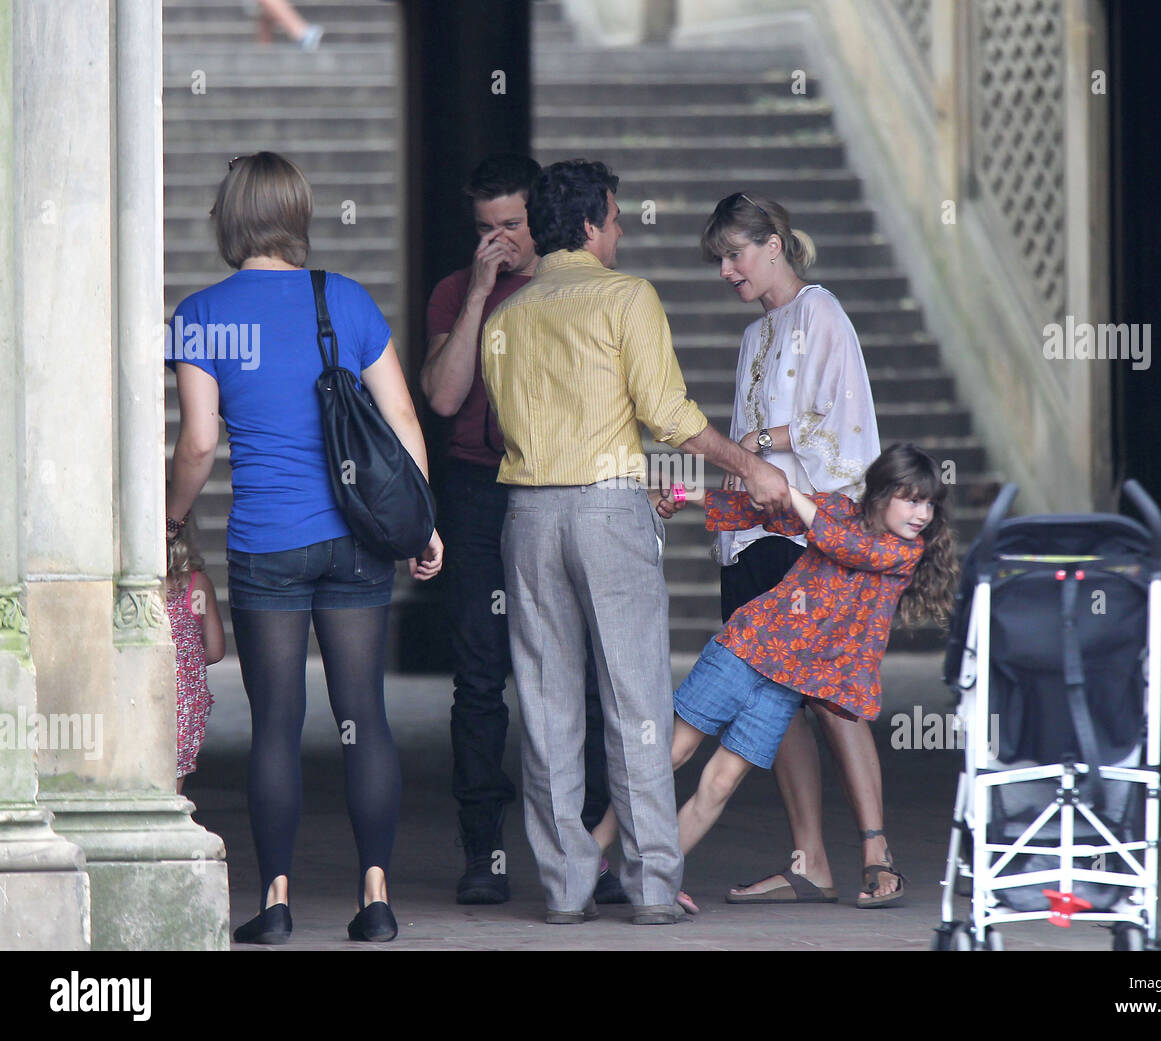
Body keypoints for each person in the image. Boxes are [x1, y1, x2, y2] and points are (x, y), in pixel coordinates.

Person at [480, 158, 792, 924]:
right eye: (614, 218)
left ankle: (564, 887)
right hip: (609, 511)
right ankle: (652, 883)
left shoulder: (505, 317)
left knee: (548, 704)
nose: (619, 230)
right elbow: (669, 412)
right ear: (590, 224)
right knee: (636, 699)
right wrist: (746, 465)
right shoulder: (626, 296)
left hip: (525, 515)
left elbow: (502, 423)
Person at [165, 151, 442, 945]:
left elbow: (199, 443)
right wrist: (421, 525)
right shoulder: (345, 300)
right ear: (298, 214)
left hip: (268, 546)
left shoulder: (201, 314)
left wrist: (172, 518)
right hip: (357, 542)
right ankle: (376, 897)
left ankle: (277, 901)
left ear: (229, 217)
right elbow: (404, 425)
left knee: (277, 725)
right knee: (366, 717)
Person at [594, 443, 956, 911]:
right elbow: (761, 510)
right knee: (671, 754)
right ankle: (587, 855)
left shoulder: (899, 551)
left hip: (787, 687)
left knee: (720, 783)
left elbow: (841, 543)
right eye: (911, 499)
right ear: (881, 495)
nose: (922, 513)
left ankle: (653, 880)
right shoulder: (834, 508)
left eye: (929, 503)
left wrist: (786, 489)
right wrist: (689, 494)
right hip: (745, 649)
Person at [420, 154, 624, 905]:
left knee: (588, 670)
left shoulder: (574, 285)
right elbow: (443, 401)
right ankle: (484, 851)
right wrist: (479, 292)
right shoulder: (455, 289)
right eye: (484, 228)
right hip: (477, 492)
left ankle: (598, 848)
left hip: (558, 481)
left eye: (511, 224)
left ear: (540, 217)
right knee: (479, 676)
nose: (499, 239)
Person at [699, 190, 906, 908]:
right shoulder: (755, 336)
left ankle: (877, 848)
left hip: (811, 531)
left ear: (773, 244)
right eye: (720, 258)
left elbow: (848, 425)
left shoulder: (820, 311)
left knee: (827, 690)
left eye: (736, 253)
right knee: (770, 695)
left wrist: (766, 442)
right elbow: (739, 449)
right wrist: (724, 517)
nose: (727, 270)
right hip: (754, 537)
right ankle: (809, 859)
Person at [166, 516, 225, 795]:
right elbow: (214, 650)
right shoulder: (197, 586)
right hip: (184, 701)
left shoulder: (134, 587)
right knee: (173, 787)